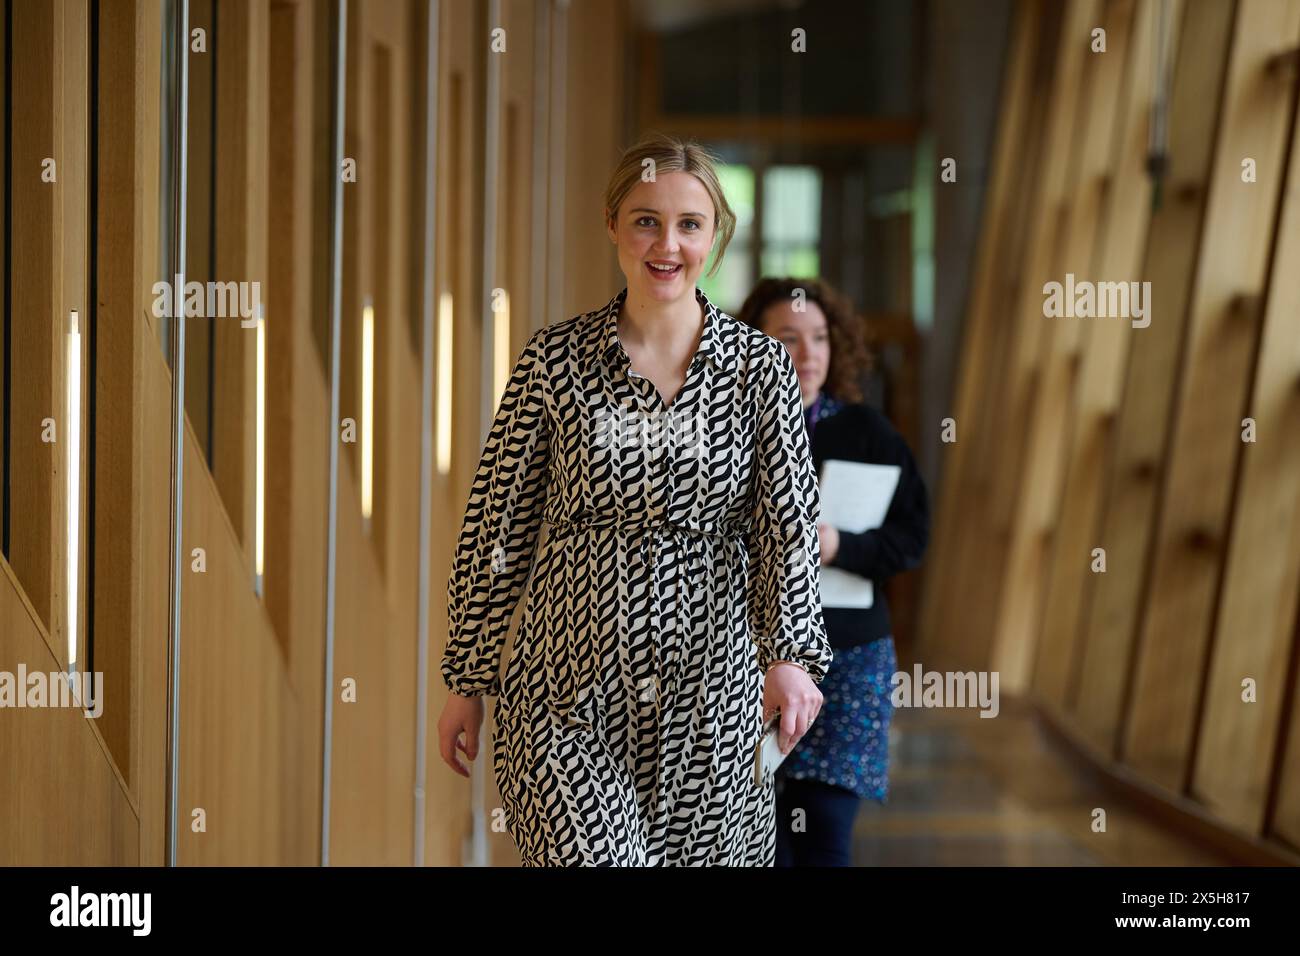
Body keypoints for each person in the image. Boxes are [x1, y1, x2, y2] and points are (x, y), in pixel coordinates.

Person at [437, 133, 833, 866]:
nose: (667, 244)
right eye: (646, 219)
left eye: (690, 224)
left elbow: (786, 525)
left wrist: (793, 656)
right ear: (612, 224)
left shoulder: (760, 371)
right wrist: (468, 674)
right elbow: (498, 526)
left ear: (716, 237)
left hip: (712, 698)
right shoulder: (552, 360)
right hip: (564, 696)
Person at [738, 277, 930, 867]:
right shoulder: (726, 437)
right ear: (750, 345)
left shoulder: (869, 434)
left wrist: (840, 545)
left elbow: (911, 538)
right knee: (753, 837)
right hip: (747, 654)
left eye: (819, 338)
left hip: (850, 657)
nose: (808, 353)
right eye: (788, 338)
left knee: (825, 831)